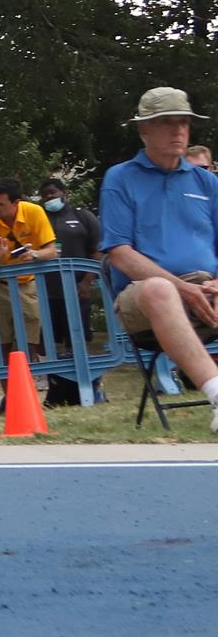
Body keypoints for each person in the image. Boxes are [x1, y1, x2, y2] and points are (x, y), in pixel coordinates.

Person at [98, 87, 218, 433]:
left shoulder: (206, 182)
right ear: (144, 130)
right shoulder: (120, 178)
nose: (178, 131)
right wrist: (182, 288)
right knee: (159, 290)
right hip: (144, 298)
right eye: (166, 123)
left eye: (183, 123)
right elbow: (119, 253)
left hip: (205, 290)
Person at [0, 177, 59, 367]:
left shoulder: (34, 212)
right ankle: (8, 392)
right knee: (1, 341)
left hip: (27, 284)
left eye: (0, 204)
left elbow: (52, 250)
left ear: (16, 203)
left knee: (30, 336)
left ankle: (25, 381)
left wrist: (35, 255)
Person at [38, 177, 105, 406]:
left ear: (64, 192)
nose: (49, 197)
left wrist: (87, 281)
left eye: (53, 192)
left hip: (77, 291)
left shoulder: (82, 216)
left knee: (77, 341)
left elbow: (97, 251)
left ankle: (83, 390)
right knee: (50, 345)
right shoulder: (40, 219)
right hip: (47, 293)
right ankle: (56, 393)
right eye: (45, 194)